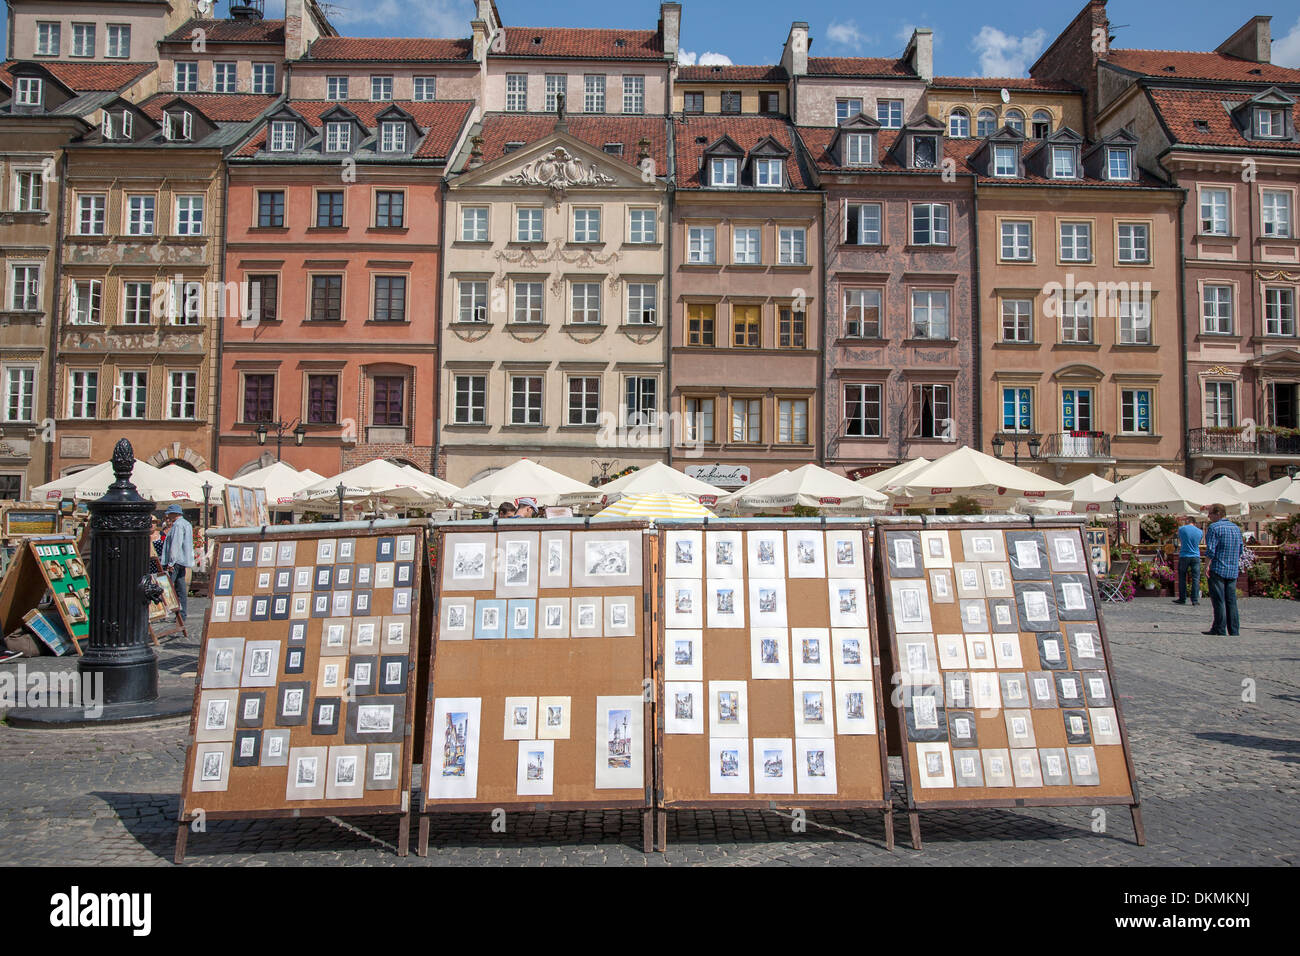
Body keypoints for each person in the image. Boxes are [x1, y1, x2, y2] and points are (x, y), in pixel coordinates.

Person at [1203, 504, 1243, 637]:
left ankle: (1219, 629)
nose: (1209, 516)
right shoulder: (1236, 528)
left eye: (1210, 514)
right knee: (1231, 601)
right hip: (1232, 569)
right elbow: (1241, 549)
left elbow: (1211, 550)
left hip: (1218, 568)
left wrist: (1206, 565)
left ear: (1218, 514)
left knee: (1219, 600)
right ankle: (1234, 630)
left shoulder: (1214, 528)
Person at [161, 504, 194, 620]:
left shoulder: (178, 525)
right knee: (180, 589)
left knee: (166, 587)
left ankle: (161, 612)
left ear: (175, 514)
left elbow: (176, 544)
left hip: (176, 561)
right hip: (183, 561)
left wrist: (171, 563)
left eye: (170, 514)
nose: (168, 516)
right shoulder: (187, 524)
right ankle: (182, 614)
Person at [1172, 515, 1203, 606]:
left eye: (1185, 520)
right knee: (1195, 578)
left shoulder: (1182, 529)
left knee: (1182, 577)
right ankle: (1195, 599)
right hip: (1196, 555)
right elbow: (1198, 542)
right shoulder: (1200, 531)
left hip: (1184, 555)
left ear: (1188, 520)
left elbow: (1180, 539)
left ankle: (1182, 598)